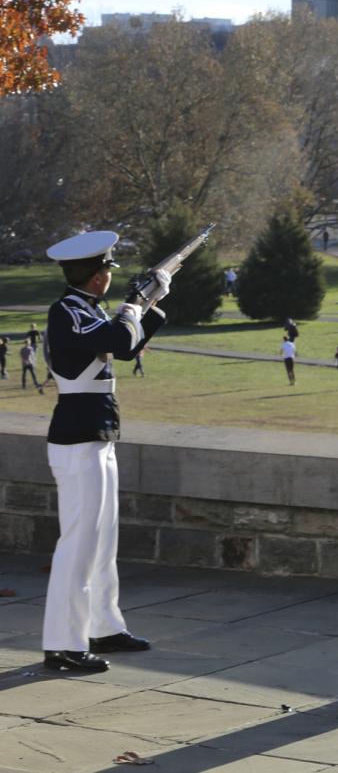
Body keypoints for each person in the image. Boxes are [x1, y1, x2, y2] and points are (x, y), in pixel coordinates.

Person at [41, 230, 171, 673]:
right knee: (78, 543)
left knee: (102, 539)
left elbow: (129, 339)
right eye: (108, 270)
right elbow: (118, 338)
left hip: (97, 433)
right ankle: (63, 642)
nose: (111, 277)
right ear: (97, 277)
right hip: (78, 438)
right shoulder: (68, 312)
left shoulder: (86, 309)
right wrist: (134, 307)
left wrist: (150, 300)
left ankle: (103, 625)